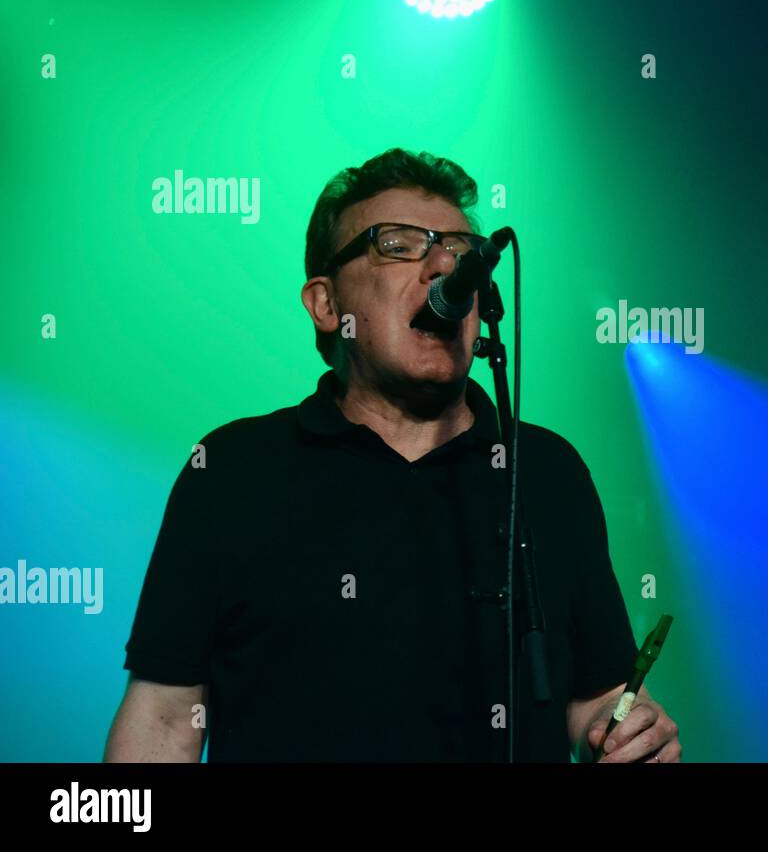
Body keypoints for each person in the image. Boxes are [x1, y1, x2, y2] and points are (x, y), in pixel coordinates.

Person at [104, 148, 681, 763]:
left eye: (459, 251)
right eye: (398, 245)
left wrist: (628, 730)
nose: (442, 267)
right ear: (327, 304)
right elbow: (165, 717)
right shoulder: (230, 470)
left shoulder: (546, 471)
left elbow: (595, 697)